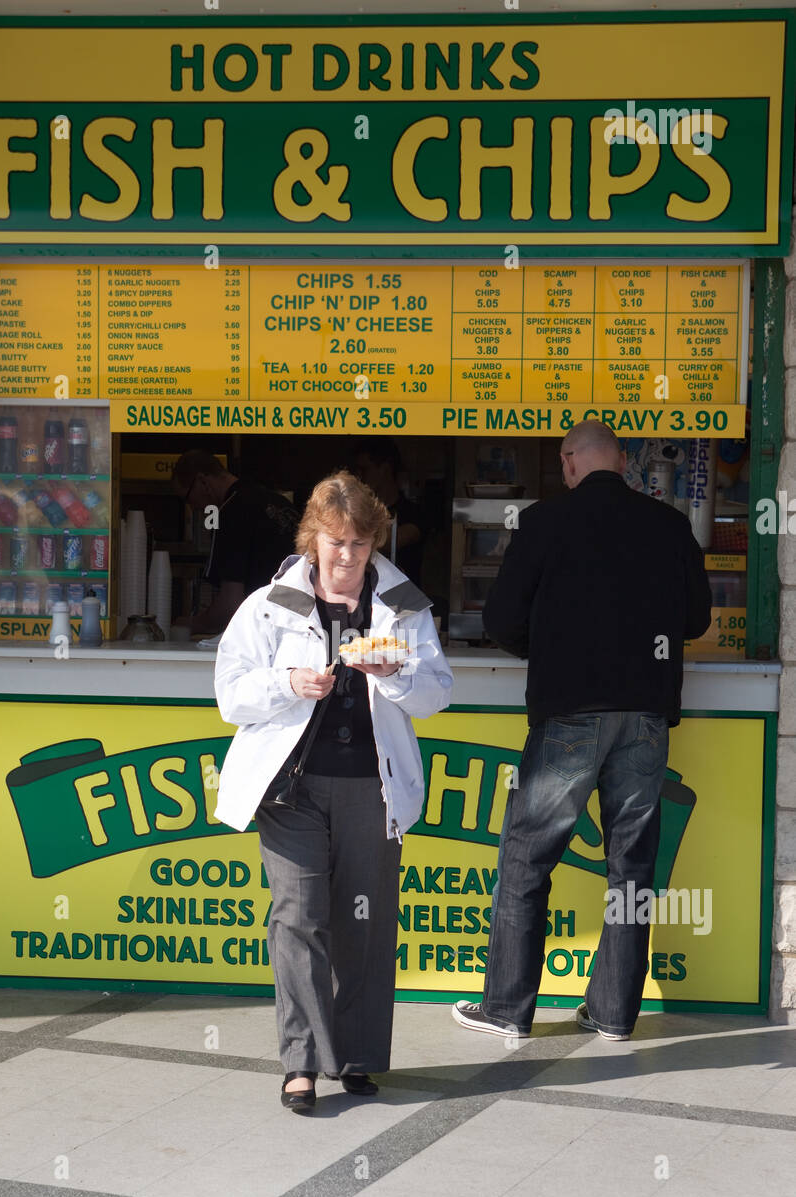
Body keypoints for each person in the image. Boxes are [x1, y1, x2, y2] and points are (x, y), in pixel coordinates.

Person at [452, 420, 712, 1043]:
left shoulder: (543, 523)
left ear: (570, 462)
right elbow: (697, 620)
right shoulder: (670, 525)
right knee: (632, 866)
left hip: (569, 714)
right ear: (621, 462)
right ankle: (614, 1013)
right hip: (646, 716)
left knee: (527, 859)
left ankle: (508, 1008)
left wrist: (545, 649)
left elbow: (500, 617)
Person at [213, 471, 454, 1111]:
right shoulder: (271, 604)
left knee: (365, 927)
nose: (346, 557)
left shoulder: (405, 608)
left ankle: (356, 1058)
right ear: (313, 539)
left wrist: (396, 673)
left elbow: (437, 694)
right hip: (290, 787)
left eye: (359, 543)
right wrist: (288, 683)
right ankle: (301, 1064)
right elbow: (229, 694)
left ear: (376, 542)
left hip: (371, 790)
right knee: (297, 919)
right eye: (335, 542)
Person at [172, 450, 299, 635]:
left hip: (264, 631)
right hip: (302, 625)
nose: (194, 508)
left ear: (203, 482)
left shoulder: (230, 513)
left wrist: (192, 625)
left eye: (188, 498)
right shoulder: (280, 503)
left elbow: (230, 605)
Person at [351, 440, 427, 587]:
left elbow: (391, 542)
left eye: (365, 469)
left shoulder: (414, 513)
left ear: (385, 469)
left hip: (403, 600)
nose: (359, 477)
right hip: (364, 597)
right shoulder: (359, 511)